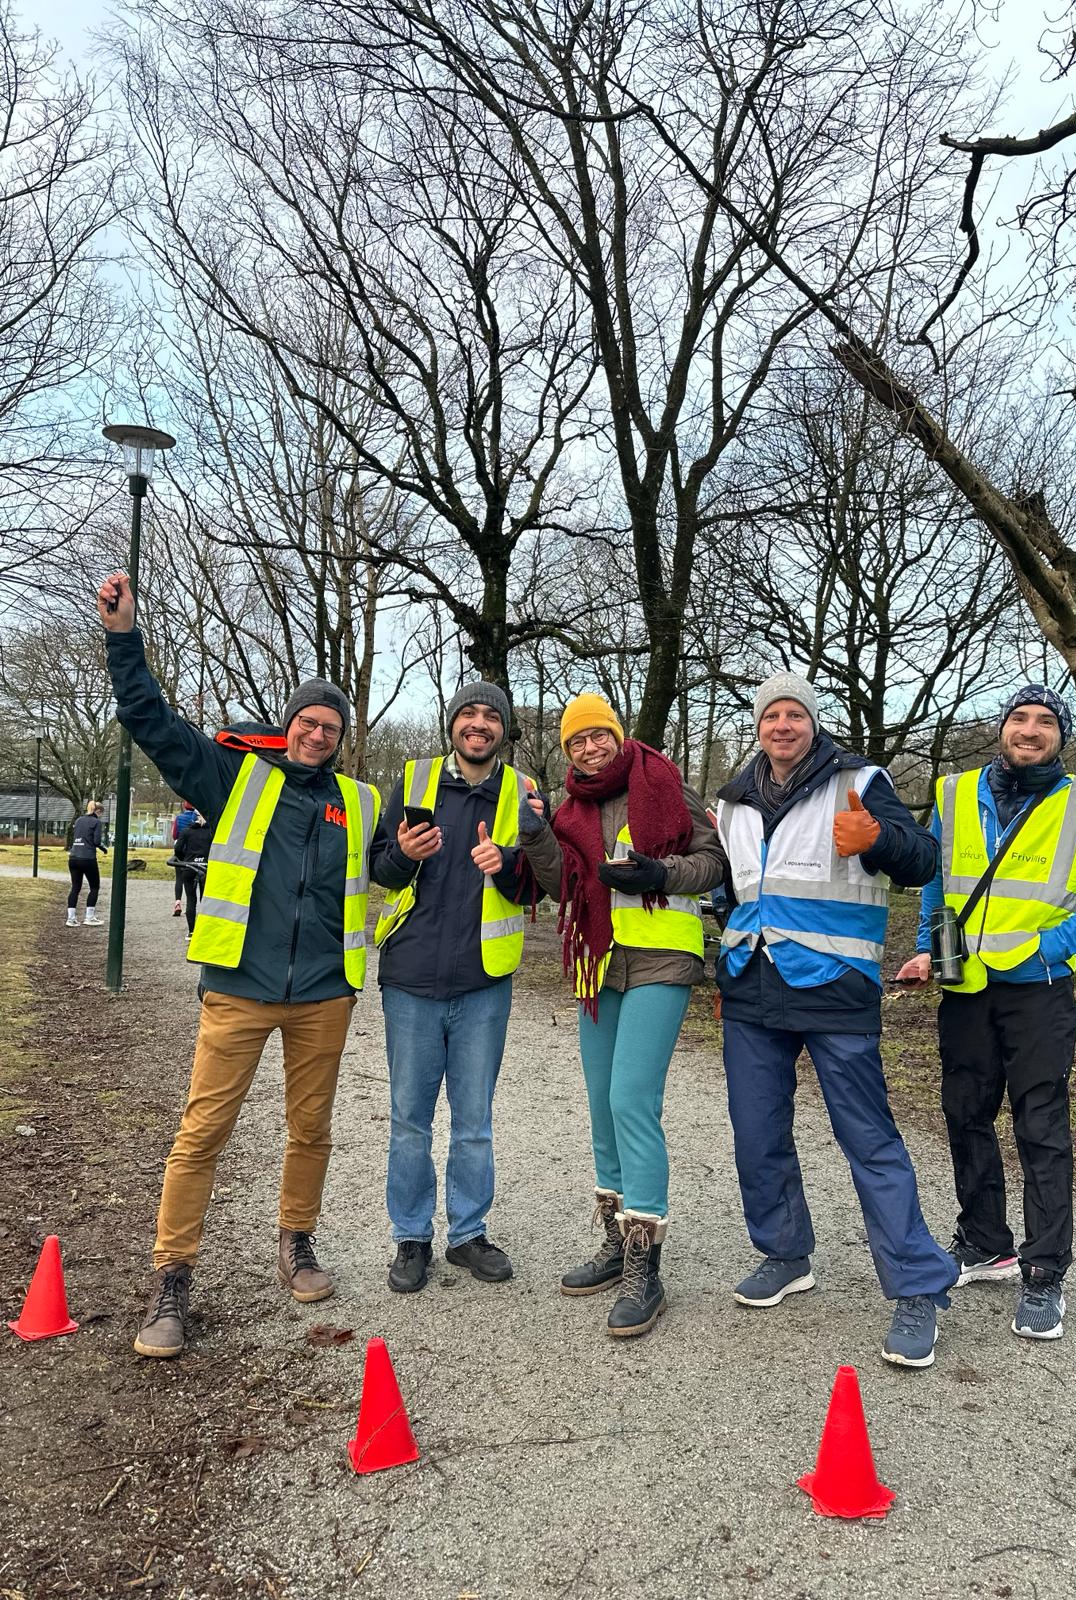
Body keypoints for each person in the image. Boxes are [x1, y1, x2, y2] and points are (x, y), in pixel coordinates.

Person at [97, 571, 383, 1359]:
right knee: (203, 1133)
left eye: (330, 726)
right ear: (288, 725)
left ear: (341, 736)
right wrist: (126, 640)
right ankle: (173, 1277)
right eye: (308, 721)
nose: (318, 734)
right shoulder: (233, 778)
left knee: (311, 1130)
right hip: (240, 992)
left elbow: (384, 870)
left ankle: (296, 1242)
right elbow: (149, 721)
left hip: (325, 994)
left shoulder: (359, 801)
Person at [716, 671, 958, 1368]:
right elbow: (735, 892)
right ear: (758, 726)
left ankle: (917, 1286)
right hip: (754, 990)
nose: (782, 725)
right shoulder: (732, 799)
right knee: (757, 1137)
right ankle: (785, 1254)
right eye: (771, 716)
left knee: (869, 1141)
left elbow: (922, 861)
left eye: (794, 714)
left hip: (835, 990)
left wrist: (878, 837)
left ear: (812, 723)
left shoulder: (860, 780)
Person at [896, 683, 1076, 1342]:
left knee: (1041, 1129)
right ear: (1002, 728)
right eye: (1018, 718)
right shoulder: (953, 793)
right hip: (966, 988)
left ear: (1060, 735)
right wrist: (928, 951)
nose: (1029, 729)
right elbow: (935, 882)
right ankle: (985, 1244)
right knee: (965, 1116)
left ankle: (1044, 1273)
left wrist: (1055, 943)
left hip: (1040, 990)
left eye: (1044, 721)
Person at [518, 693, 725, 1339]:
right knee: (603, 1104)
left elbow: (716, 862)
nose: (588, 747)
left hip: (663, 953)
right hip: (596, 962)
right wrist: (531, 836)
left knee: (632, 1099)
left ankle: (645, 1263)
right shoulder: (568, 808)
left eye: (597, 735)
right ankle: (613, 1243)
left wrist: (660, 872)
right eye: (576, 741)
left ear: (616, 734)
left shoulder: (663, 780)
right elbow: (560, 885)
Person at [370, 682, 545, 1296]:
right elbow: (379, 868)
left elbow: (536, 888)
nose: (478, 724)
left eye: (490, 716)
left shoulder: (522, 795)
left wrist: (512, 865)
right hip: (412, 977)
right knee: (410, 1120)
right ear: (452, 726)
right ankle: (412, 1237)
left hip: (484, 982)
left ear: (503, 730)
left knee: (474, 1120)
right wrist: (405, 855)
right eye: (468, 714)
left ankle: (468, 1233)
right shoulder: (413, 781)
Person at [65, 800, 107, 927]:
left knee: (75, 887)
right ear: (98, 811)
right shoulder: (96, 822)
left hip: (73, 857)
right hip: (88, 858)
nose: (101, 816)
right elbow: (96, 841)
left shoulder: (78, 820)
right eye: (101, 813)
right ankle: (89, 917)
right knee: (94, 887)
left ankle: (71, 918)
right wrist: (103, 848)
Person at [172, 812, 213, 934]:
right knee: (205, 900)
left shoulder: (187, 831)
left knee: (191, 899)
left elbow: (178, 848)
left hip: (189, 866)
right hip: (206, 867)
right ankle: (205, 930)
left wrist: (183, 859)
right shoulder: (211, 831)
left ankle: (191, 931)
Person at [171, 801, 200, 915]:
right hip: (193, 851)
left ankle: (177, 902)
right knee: (192, 878)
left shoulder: (179, 818)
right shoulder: (197, 818)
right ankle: (190, 905)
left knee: (179, 878)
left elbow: (174, 835)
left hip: (181, 851)